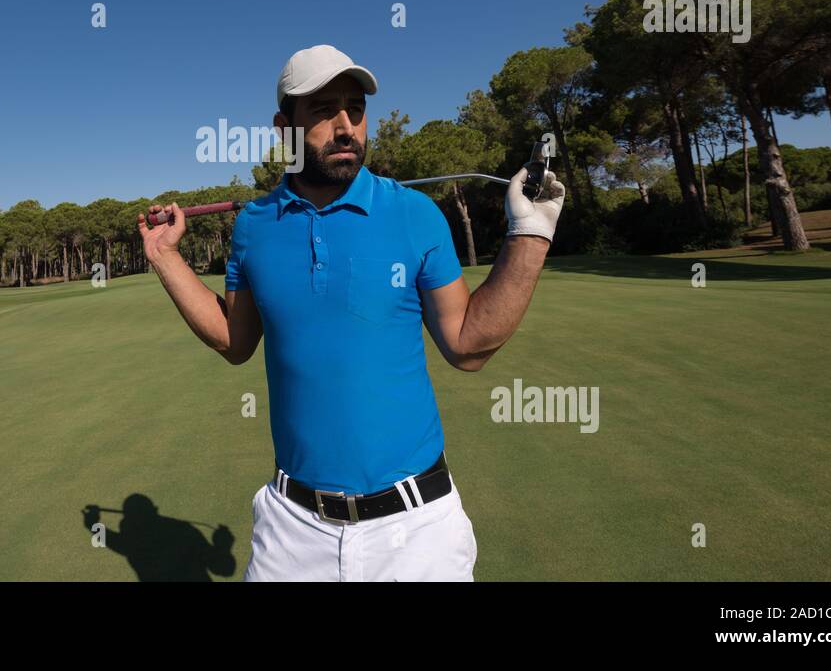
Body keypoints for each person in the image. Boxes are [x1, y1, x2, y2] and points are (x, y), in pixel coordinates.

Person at [138, 44, 564, 581]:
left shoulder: (415, 214)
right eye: (323, 111)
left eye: (356, 110)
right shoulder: (253, 225)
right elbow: (234, 340)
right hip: (292, 530)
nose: (346, 127)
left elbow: (467, 345)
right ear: (283, 126)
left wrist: (531, 233)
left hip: (418, 531)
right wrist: (164, 255)